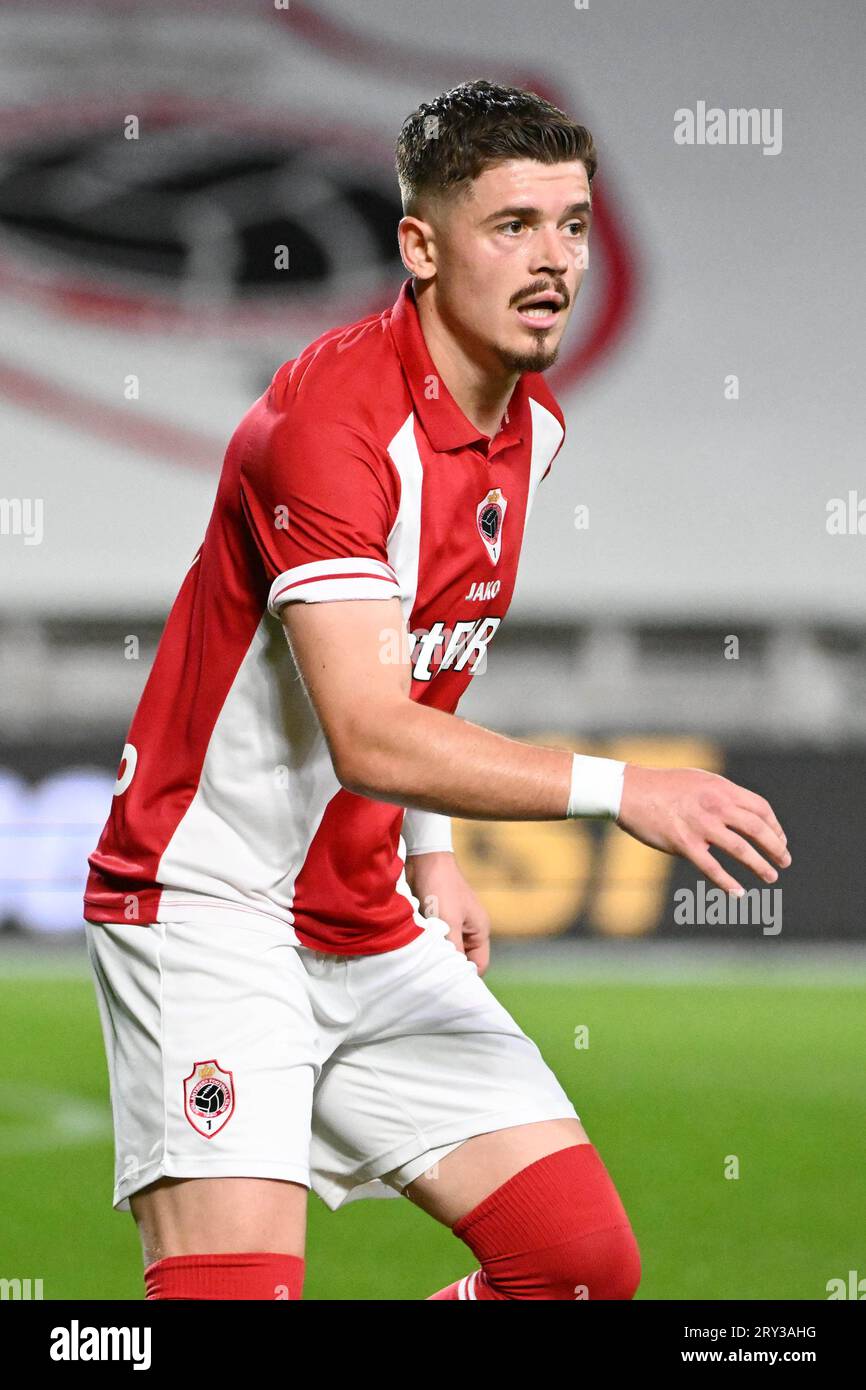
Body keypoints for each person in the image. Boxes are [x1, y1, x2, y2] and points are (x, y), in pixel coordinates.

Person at [83, 79, 790, 1301]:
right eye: (510, 225)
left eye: (571, 225)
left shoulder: (529, 428)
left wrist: (432, 854)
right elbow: (365, 730)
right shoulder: (331, 421)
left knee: (572, 1271)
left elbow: (420, 654)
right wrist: (623, 788)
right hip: (210, 909)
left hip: (359, 921)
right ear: (418, 246)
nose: (553, 260)